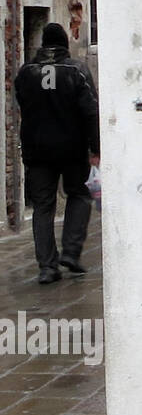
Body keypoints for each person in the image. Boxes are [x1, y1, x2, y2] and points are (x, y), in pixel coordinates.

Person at [13, 22, 100, 284]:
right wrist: (96, 149)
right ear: (65, 44)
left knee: (43, 207)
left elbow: (21, 104)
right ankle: (71, 252)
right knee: (80, 194)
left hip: (37, 151)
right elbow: (91, 112)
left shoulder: (26, 72)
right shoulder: (76, 70)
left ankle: (47, 267)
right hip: (72, 149)